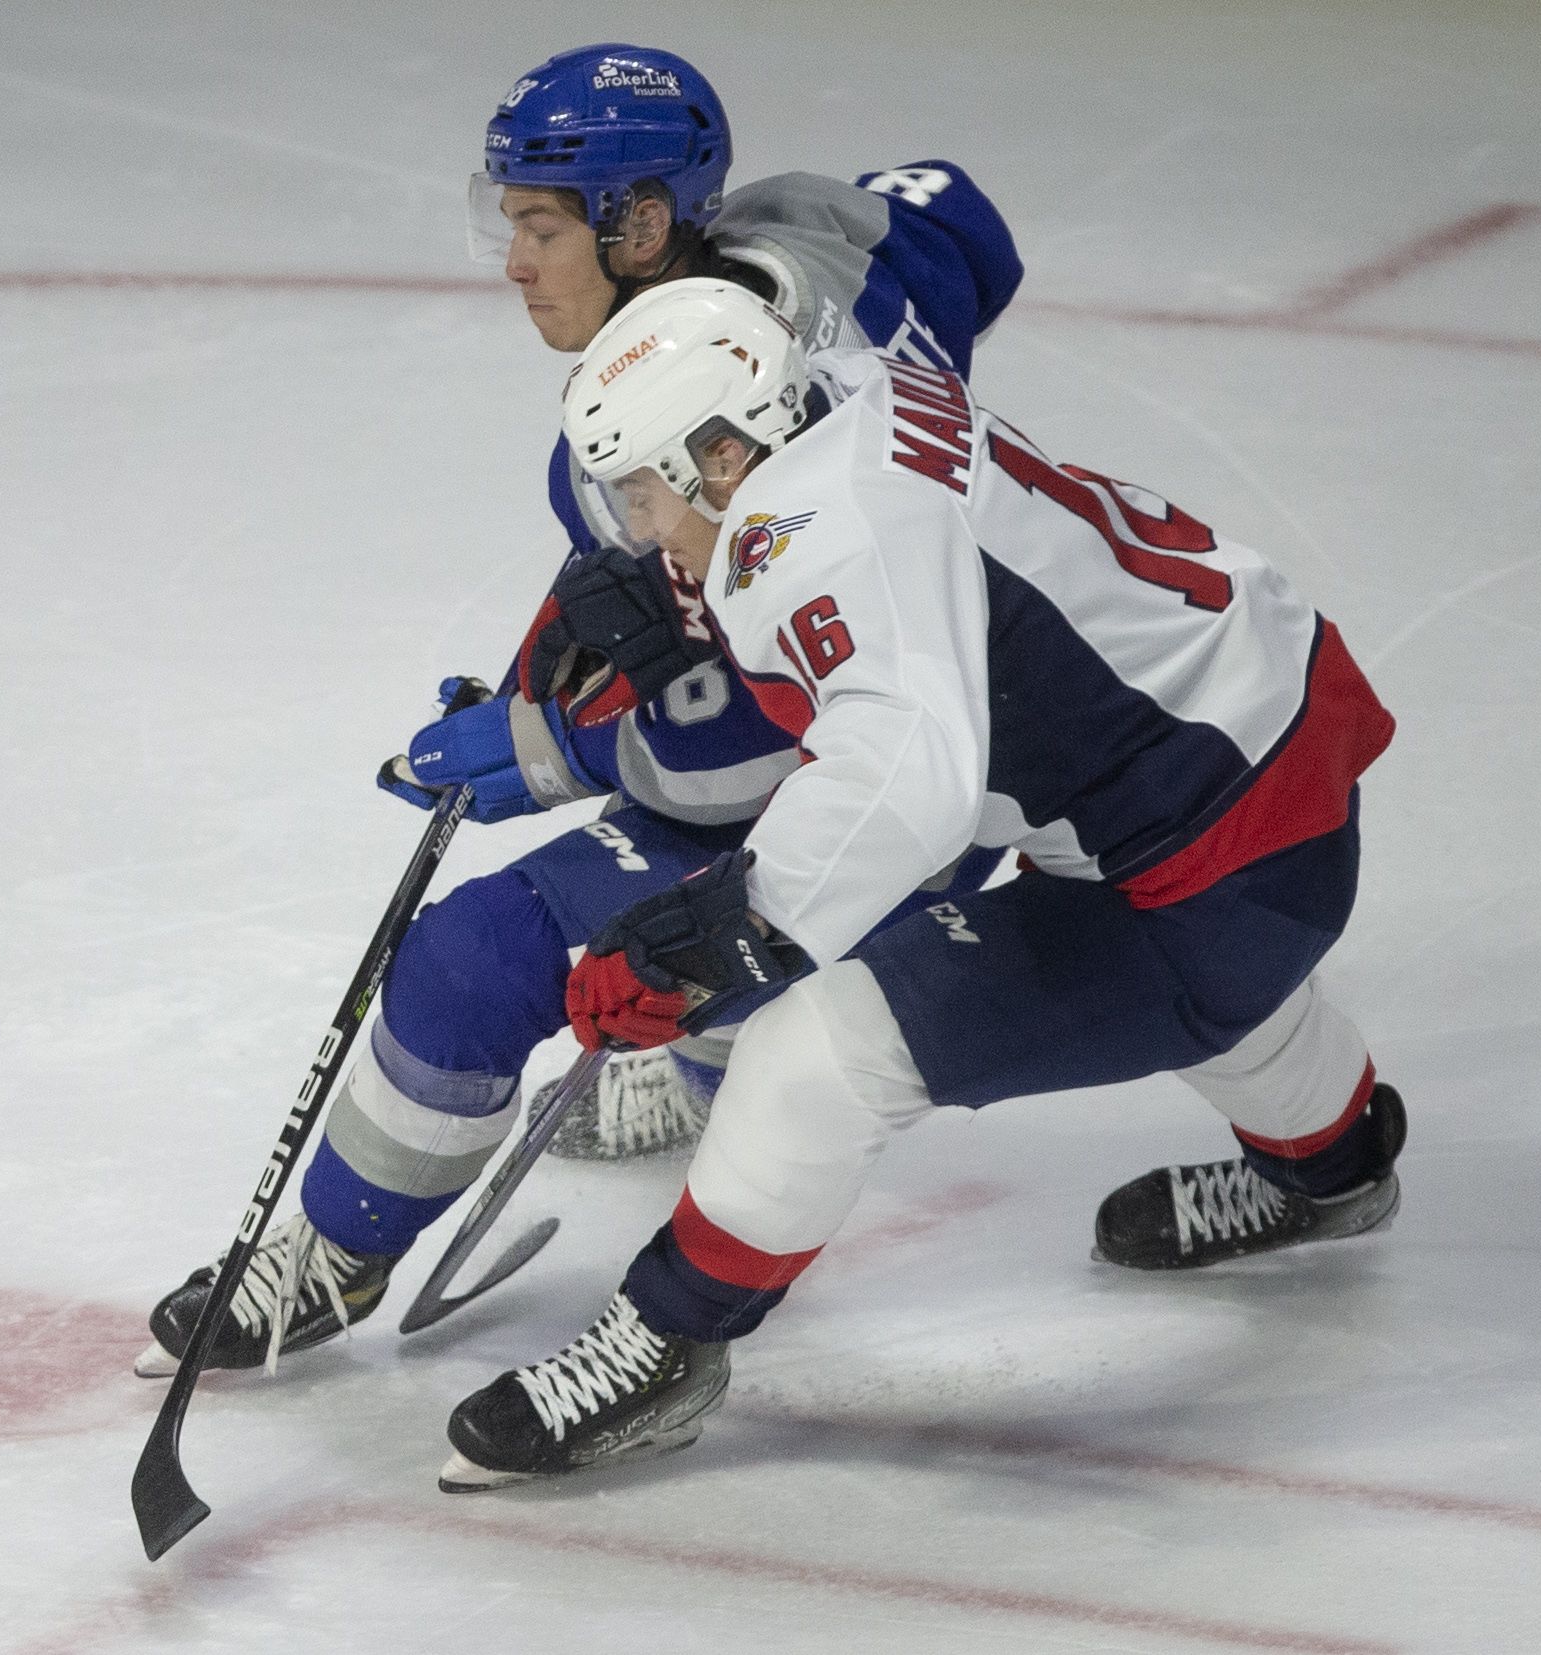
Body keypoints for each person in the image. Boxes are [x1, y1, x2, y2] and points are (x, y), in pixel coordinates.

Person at [136, 44, 1022, 1379]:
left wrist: (555, 749)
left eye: (541, 225)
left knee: (739, 1018)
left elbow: (761, 756)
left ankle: (694, 1230)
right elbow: (962, 222)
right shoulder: (814, 253)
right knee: (471, 956)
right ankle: (329, 1246)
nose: (512, 260)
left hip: (903, 798)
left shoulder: (744, 444)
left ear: (644, 223)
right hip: (926, 709)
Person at [434, 277, 1402, 1491]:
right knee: (1177, 986)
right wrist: (680, 591)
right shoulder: (843, 387)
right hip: (1237, 745)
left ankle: (664, 1343)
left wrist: (720, 933)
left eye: (646, 498)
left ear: (725, 454)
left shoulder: (817, 534)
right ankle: (1340, 1160)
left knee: (817, 1053)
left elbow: (905, 780)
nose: (640, 531)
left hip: (1208, 854)